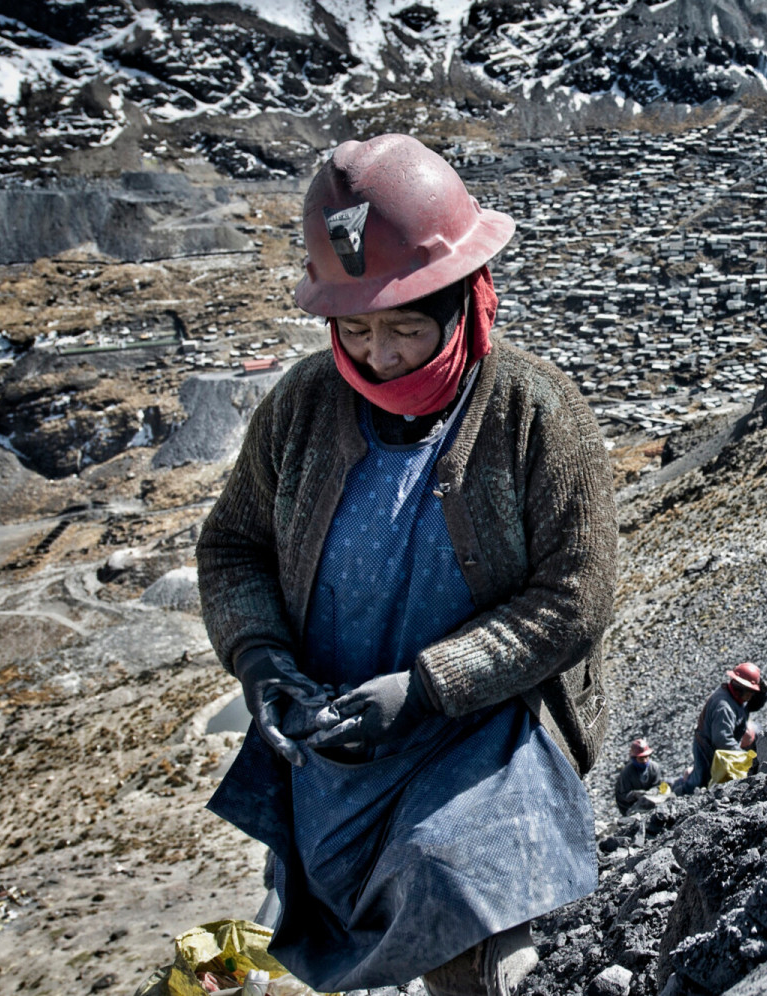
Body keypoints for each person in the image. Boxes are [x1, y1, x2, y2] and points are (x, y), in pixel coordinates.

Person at [197, 134, 617, 996]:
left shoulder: (535, 411)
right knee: (350, 910)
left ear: (468, 300)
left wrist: (427, 687)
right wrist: (263, 661)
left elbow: (576, 595)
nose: (380, 357)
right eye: (355, 329)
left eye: (406, 328)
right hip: (342, 736)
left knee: (453, 898)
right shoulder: (304, 407)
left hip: (487, 730)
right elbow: (234, 546)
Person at [678, 663, 764, 795]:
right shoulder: (724, 707)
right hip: (707, 747)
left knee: (713, 778)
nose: (751, 695)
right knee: (700, 780)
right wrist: (744, 757)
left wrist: (764, 692)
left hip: (715, 745)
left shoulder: (735, 696)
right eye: (750, 692)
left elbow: (753, 705)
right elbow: (722, 740)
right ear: (741, 688)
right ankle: (679, 793)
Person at [613, 739, 662, 815]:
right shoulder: (627, 772)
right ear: (634, 758)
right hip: (629, 806)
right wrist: (635, 794)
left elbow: (658, 786)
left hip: (651, 801)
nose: (645, 761)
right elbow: (623, 795)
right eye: (641, 758)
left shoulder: (654, 768)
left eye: (646, 757)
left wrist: (652, 792)